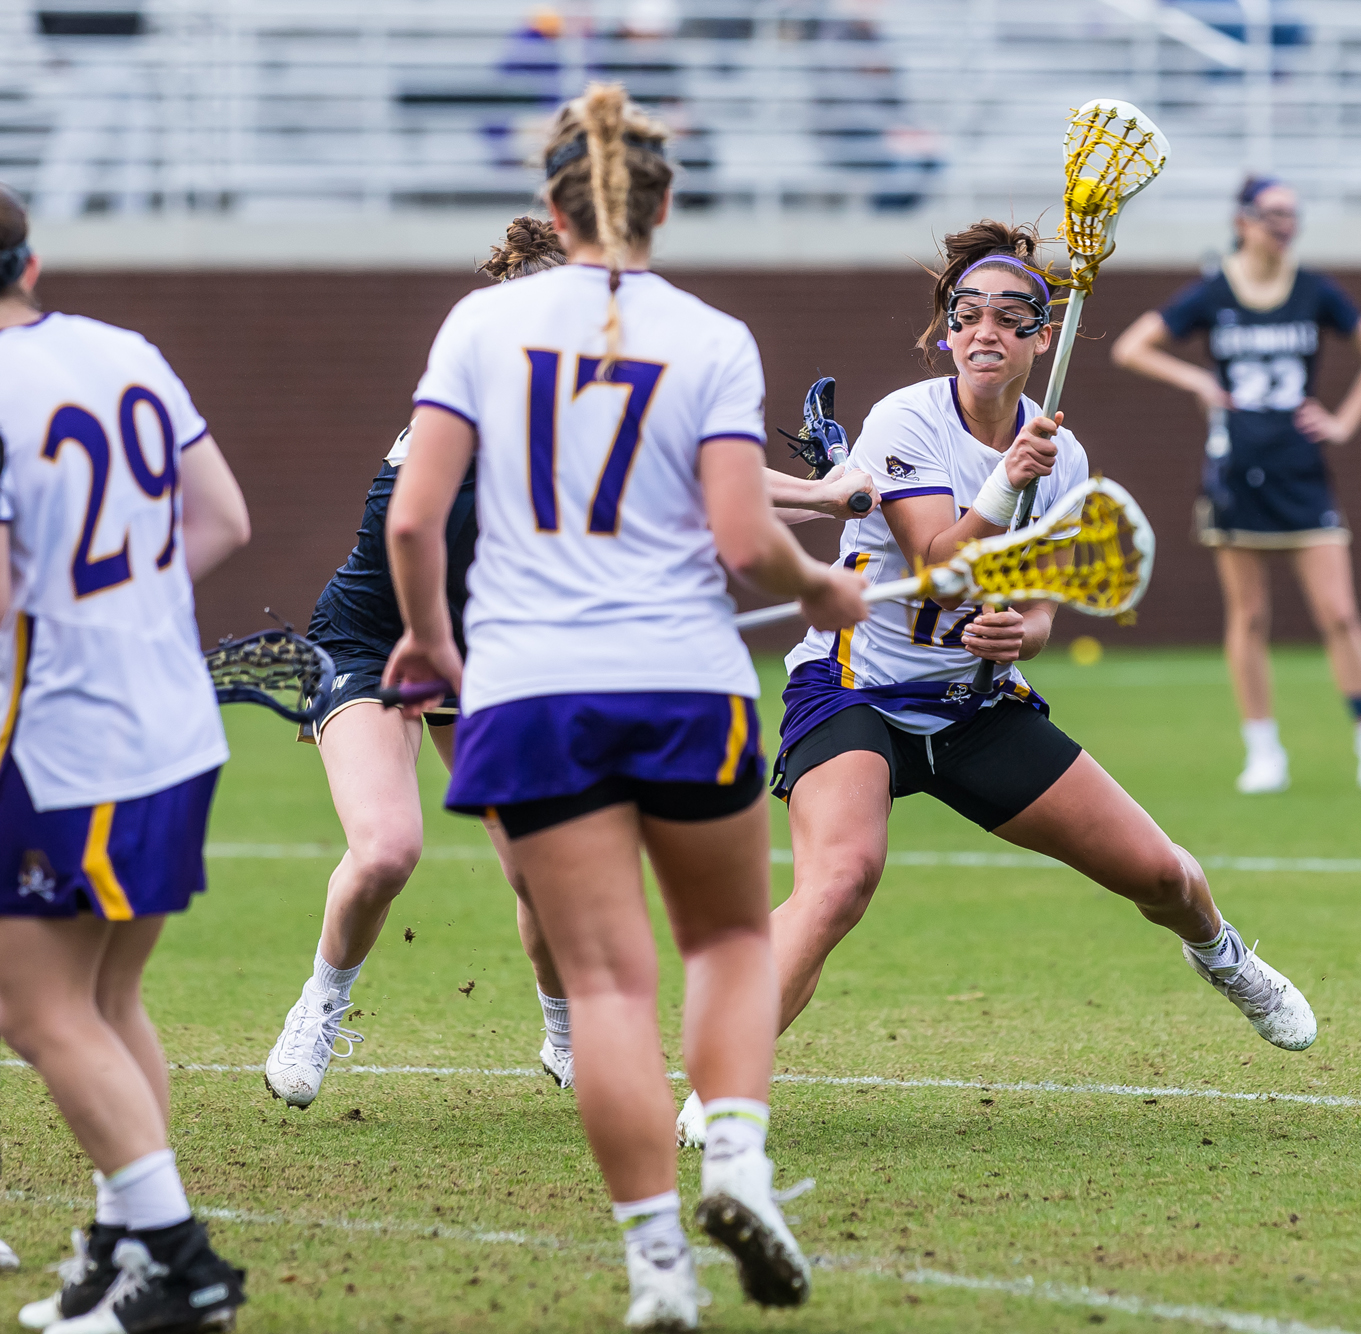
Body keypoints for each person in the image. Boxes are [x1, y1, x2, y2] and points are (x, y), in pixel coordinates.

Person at [381, 83, 867, 1328]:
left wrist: (433, 645)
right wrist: (827, 593)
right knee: (728, 941)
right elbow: (746, 542)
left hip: (529, 689)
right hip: (682, 682)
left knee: (604, 987)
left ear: (553, 202)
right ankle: (741, 1164)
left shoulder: (480, 326)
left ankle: (657, 1266)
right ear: (665, 204)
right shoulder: (707, 335)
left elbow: (414, 515)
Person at [674, 219, 1319, 1145]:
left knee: (1163, 874)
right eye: (966, 315)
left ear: (1040, 338)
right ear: (945, 329)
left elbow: (1044, 607)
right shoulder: (908, 419)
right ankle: (726, 1087)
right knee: (839, 880)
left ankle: (1225, 958)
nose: (986, 333)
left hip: (976, 706)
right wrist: (1006, 483)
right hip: (856, 693)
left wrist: (1023, 630)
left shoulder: (1068, 458)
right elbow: (938, 556)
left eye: (1011, 319)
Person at [261, 217, 874, 1111]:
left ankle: (562, 1035)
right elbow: (412, 531)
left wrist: (823, 495)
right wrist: (817, 499)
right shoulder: (465, 399)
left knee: (540, 877)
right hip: (376, 645)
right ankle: (321, 1005)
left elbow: (702, 472)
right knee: (388, 849)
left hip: (491, 657)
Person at [0, 185, 254, 1333]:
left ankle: (184, 1265)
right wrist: (131, 615)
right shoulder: (125, 350)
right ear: (31, 264)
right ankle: (125, 1260)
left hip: (66, 737)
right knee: (104, 997)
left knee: (37, 1009)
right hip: (169, 716)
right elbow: (224, 521)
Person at [1112, 176, 1361, 795]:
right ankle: (1263, 750)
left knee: (1340, 613)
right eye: (1273, 215)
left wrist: (1343, 420)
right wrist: (1197, 383)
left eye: (1293, 215)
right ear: (1243, 220)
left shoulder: (1314, 288)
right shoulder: (1213, 292)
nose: (1285, 226)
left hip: (1303, 472)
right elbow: (1132, 347)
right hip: (1236, 471)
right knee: (1251, 616)